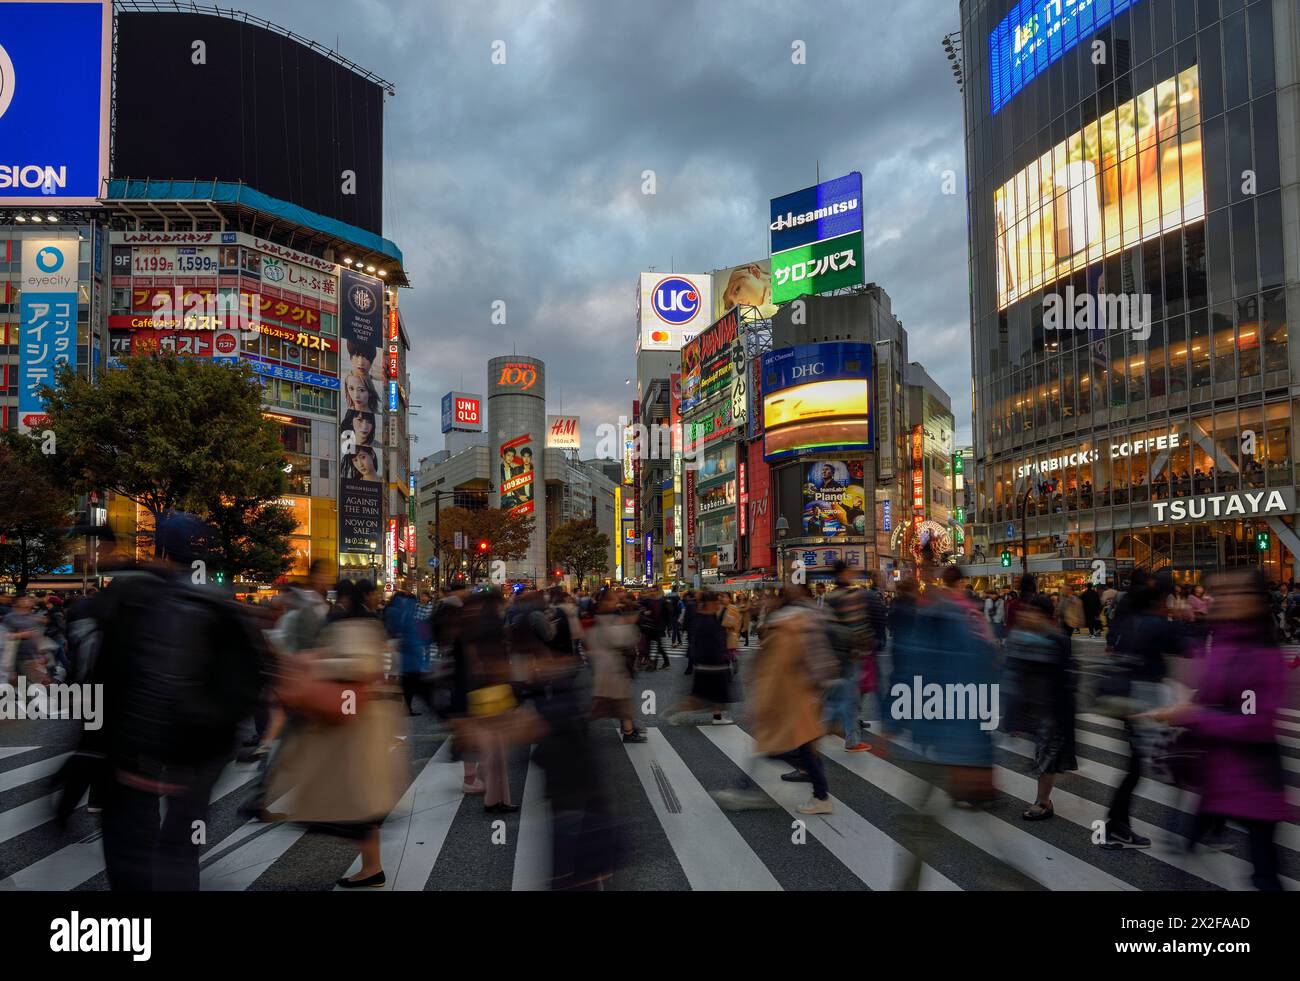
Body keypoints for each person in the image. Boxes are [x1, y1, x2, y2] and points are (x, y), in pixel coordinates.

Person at [59, 510, 270, 890]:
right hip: (201, 756)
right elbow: (250, 679)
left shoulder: (134, 595)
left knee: (131, 847)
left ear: (160, 550)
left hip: (139, 750)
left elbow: (106, 679)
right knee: (181, 842)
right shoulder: (224, 602)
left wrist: (92, 752)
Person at [1143, 570, 1291, 888]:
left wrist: (1191, 714)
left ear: (1256, 601)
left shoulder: (1262, 655)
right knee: (1181, 854)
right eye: (1218, 592)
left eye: (1236, 591)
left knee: (1264, 874)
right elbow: (1207, 692)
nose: (1223, 598)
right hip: (1214, 777)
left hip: (1253, 779)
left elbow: (1254, 723)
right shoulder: (1220, 640)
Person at [1096, 570, 1181, 850]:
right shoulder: (1155, 623)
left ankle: (1118, 825)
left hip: (1127, 698)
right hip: (1138, 701)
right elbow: (1186, 646)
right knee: (1137, 767)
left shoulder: (1126, 614)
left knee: (1134, 766)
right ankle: (1113, 826)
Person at [751, 586, 838, 814]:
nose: (762, 603)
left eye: (766, 600)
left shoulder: (784, 629)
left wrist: (764, 703)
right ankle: (820, 795)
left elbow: (775, 671)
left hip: (791, 697)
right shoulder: (807, 619)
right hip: (808, 693)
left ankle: (821, 796)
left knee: (788, 747)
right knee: (803, 746)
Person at [1001, 593, 1077, 820]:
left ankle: (1043, 801)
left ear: (1045, 616)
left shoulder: (1058, 640)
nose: (1027, 615)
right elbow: (1011, 674)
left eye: (1032, 611)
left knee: (1046, 756)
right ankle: (1044, 798)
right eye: (1026, 610)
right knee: (1040, 753)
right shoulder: (1019, 639)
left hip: (1051, 708)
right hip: (1030, 707)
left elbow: (1066, 679)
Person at [665, 591, 734, 725]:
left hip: (712, 662)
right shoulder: (704, 619)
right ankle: (675, 713)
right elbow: (704, 642)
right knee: (700, 697)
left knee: (718, 693)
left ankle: (717, 717)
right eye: (716, 602)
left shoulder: (708, 617)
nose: (718, 605)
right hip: (710, 663)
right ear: (709, 604)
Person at [586, 588, 645, 743]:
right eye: (613, 599)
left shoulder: (601, 616)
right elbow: (621, 638)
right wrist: (629, 625)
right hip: (612, 666)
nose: (617, 601)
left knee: (609, 702)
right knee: (620, 701)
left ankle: (629, 728)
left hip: (609, 665)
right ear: (605, 601)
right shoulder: (608, 618)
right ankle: (629, 732)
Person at [823, 561, 872, 752]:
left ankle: (828, 725)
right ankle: (851, 739)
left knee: (837, 694)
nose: (852, 574)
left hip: (835, 653)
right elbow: (859, 625)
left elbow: (825, 625)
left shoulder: (829, 597)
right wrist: (864, 645)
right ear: (843, 574)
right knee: (850, 697)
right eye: (850, 571)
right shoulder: (852, 595)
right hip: (851, 653)